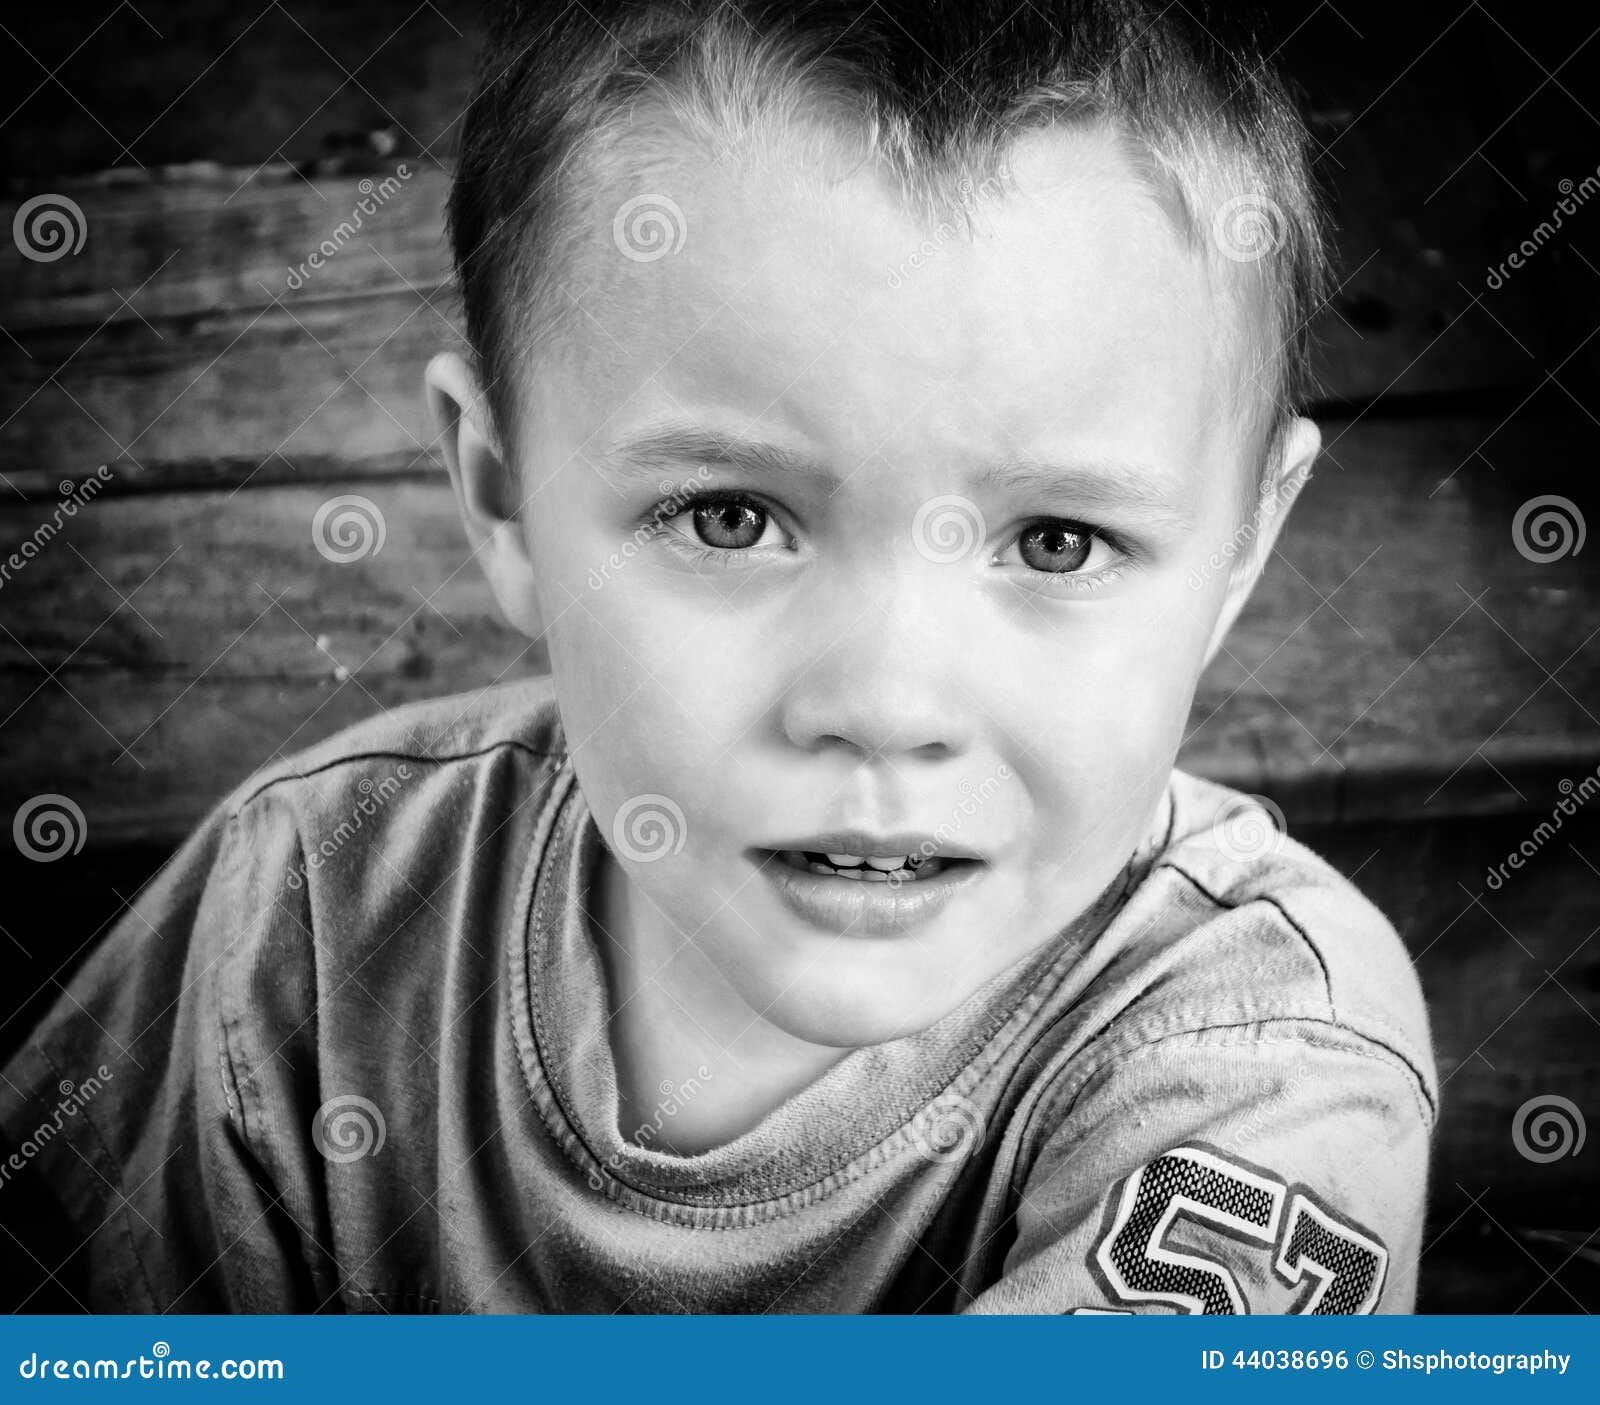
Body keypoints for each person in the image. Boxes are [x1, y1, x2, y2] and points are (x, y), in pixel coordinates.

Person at [0, 0, 1435, 1313]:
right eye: (731, 517)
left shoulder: (1265, 1049)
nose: (886, 705)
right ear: (501, 495)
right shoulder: (309, 912)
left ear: (1242, 545)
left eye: (1057, 541)